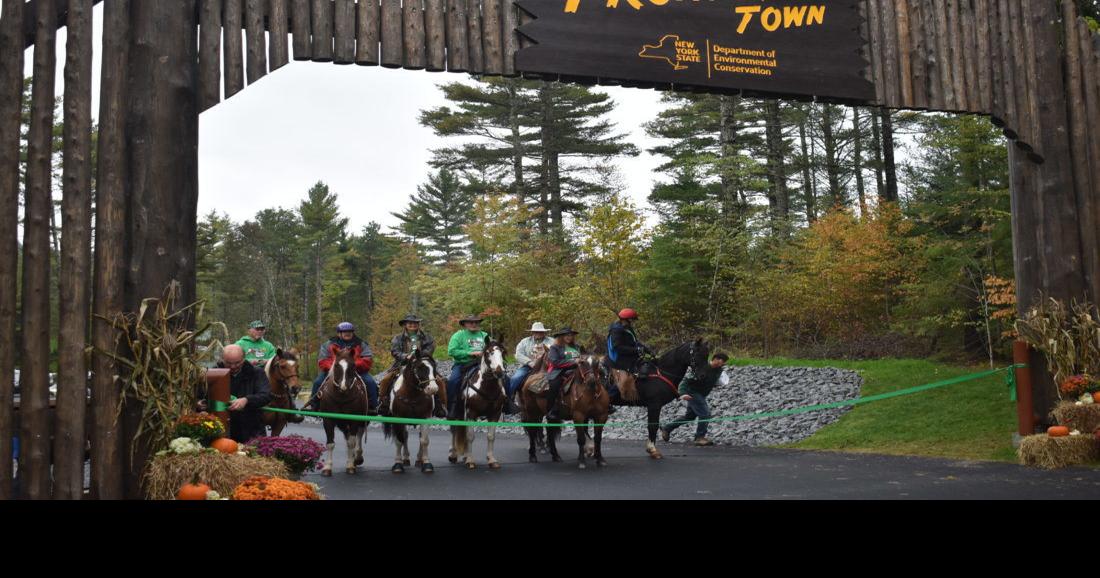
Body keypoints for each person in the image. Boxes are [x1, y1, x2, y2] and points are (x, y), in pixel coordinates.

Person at [379, 314, 447, 418]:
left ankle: (441, 405)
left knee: (439, 381)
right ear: (405, 325)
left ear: (418, 324)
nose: (412, 325)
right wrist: (406, 356)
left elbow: (431, 348)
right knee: (385, 379)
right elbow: (394, 351)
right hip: (402, 364)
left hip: (422, 364)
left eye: (415, 323)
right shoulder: (397, 338)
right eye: (410, 323)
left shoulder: (427, 337)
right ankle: (383, 403)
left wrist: (419, 356)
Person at [304, 322, 379, 414]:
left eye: (350, 331)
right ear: (339, 333)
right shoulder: (328, 344)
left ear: (353, 332)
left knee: (371, 382)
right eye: (344, 331)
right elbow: (322, 360)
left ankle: (373, 407)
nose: (347, 333)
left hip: (356, 370)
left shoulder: (361, 344)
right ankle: (314, 405)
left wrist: (351, 365)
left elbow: (367, 359)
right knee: (318, 382)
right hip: (333, 370)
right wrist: (335, 367)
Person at [660, 353, 730, 446]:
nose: (722, 364)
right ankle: (699, 437)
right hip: (692, 393)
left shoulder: (719, 370)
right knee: (705, 414)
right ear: (716, 359)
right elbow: (685, 381)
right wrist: (683, 393)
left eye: (723, 363)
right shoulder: (702, 368)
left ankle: (667, 428)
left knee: (689, 417)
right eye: (721, 362)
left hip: (701, 394)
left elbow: (717, 380)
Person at [218, 344, 273, 443]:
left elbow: (266, 395)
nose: (233, 366)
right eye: (228, 363)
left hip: (251, 430)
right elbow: (202, 394)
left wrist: (247, 400)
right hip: (221, 430)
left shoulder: (257, 373)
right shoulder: (214, 373)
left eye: (237, 363)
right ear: (222, 359)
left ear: (244, 359)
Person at [446, 314, 489, 420]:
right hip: (463, 364)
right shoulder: (458, 335)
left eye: (476, 322)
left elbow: (492, 348)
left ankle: (505, 405)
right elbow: (451, 351)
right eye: (471, 322)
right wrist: (470, 353)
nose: (474, 324)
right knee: (453, 381)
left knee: (503, 377)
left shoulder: (484, 335)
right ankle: (452, 407)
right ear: (465, 324)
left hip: (482, 364)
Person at [507, 322, 554, 413]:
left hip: (548, 367)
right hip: (528, 366)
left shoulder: (551, 341)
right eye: (536, 332)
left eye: (540, 332)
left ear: (544, 332)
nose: (538, 333)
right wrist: (529, 362)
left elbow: (557, 351)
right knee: (515, 378)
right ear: (532, 332)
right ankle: (509, 400)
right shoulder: (524, 342)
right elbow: (518, 354)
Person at [545, 327, 584, 422]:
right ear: (561, 336)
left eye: (571, 335)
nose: (569, 337)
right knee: (554, 385)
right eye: (566, 335)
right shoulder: (555, 347)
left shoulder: (577, 346)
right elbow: (555, 362)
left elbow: (581, 357)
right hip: (559, 370)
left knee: (594, 377)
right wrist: (573, 362)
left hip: (577, 369)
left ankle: (604, 403)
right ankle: (552, 410)